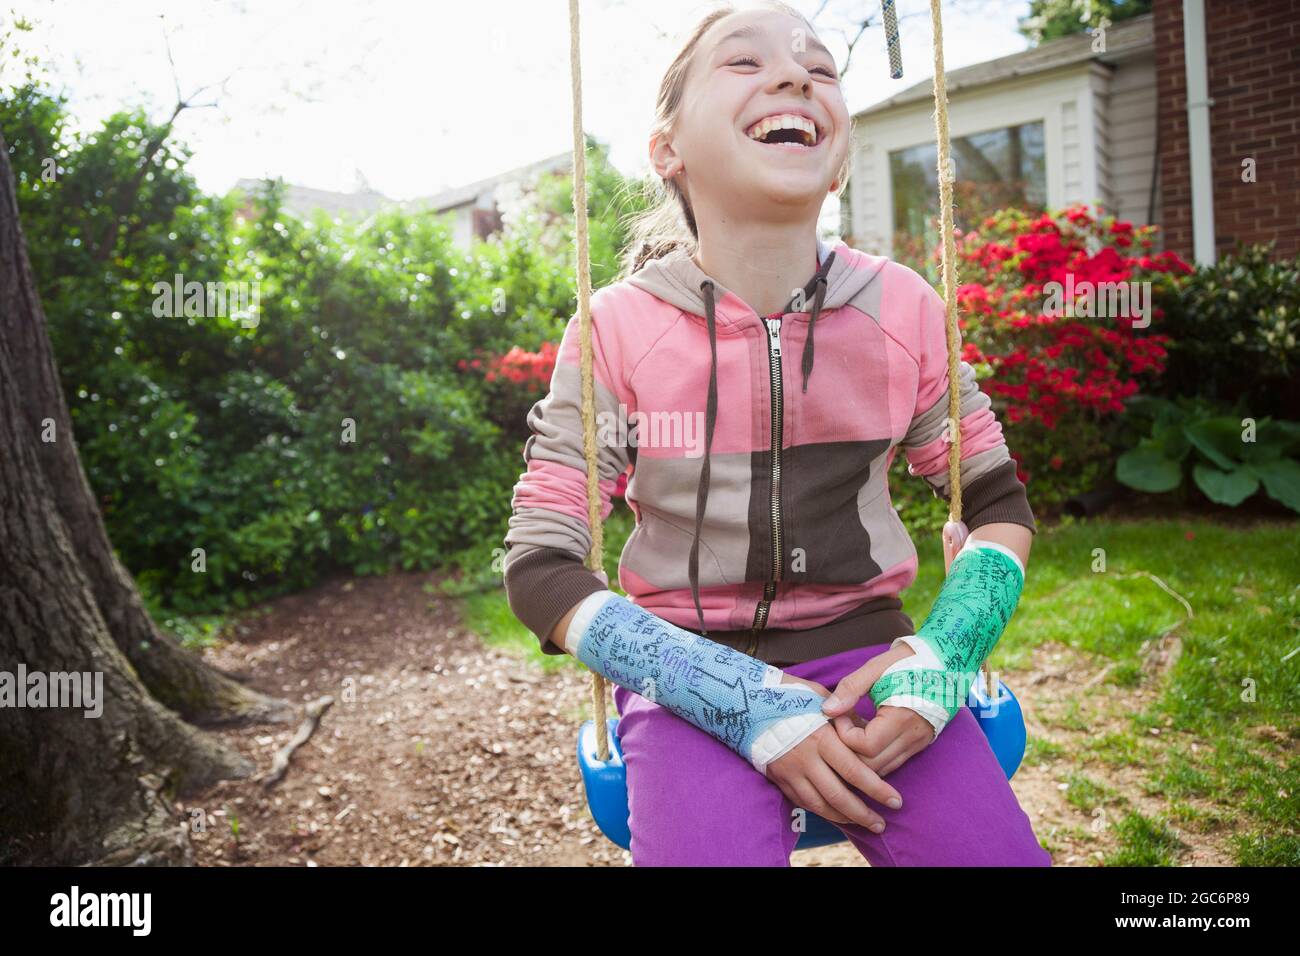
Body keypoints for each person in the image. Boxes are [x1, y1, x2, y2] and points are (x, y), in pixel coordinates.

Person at [502, 0, 1051, 867]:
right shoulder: (616, 327)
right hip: (682, 675)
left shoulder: (901, 307)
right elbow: (540, 568)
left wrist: (944, 658)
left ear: (836, 162)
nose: (795, 75)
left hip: (877, 663)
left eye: (820, 68)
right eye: (744, 62)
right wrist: (737, 699)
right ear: (668, 149)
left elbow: (996, 505)